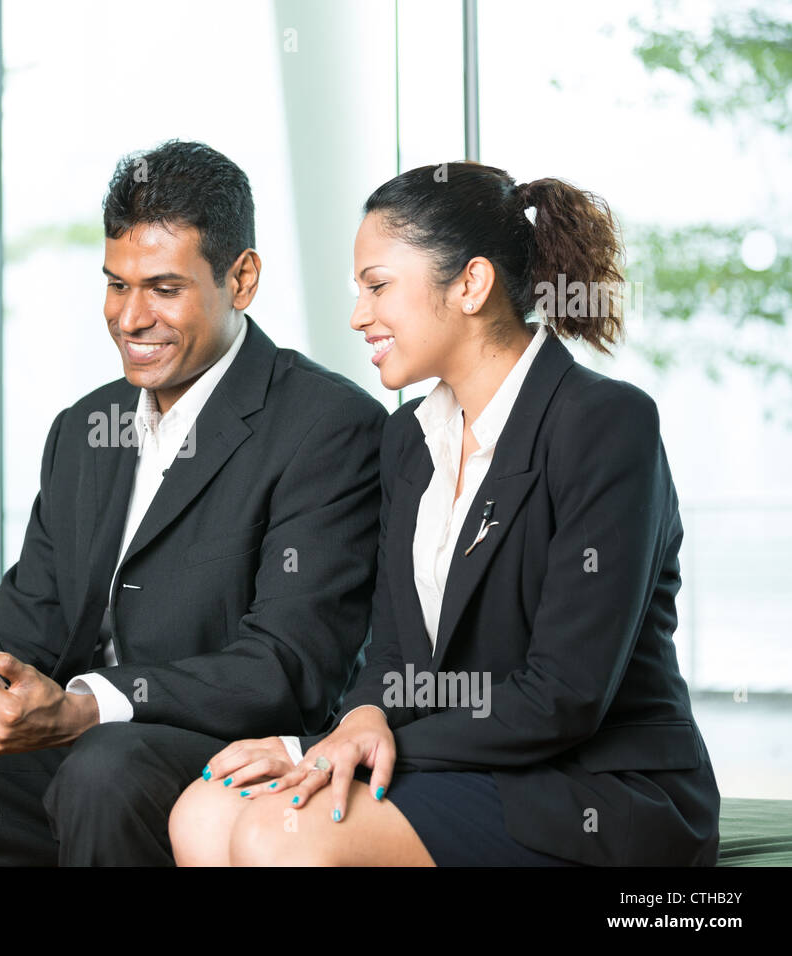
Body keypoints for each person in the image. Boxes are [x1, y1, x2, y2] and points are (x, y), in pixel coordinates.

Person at [0, 139, 388, 865]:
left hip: (212, 757)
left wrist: (88, 704)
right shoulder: (84, 431)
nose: (130, 318)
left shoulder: (328, 427)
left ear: (241, 279)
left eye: (163, 288)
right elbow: (26, 632)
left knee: (103, 769)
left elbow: (288, 667)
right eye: (115, 285)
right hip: (67, 749)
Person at [169, 161, 722, 867]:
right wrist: (365, 716)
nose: (358, 314)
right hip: (469, 765)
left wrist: (337, 747)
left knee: (279, 836)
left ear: (470, 284)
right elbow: (395, 654)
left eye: (377, 286)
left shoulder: (605, 424)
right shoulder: (408, 440)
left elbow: (565, 696)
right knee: (206, 809)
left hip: (600, 787)